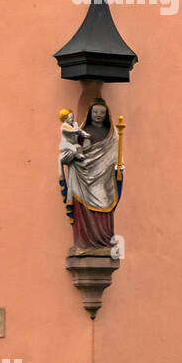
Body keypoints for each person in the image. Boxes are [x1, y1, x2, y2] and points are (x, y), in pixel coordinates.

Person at [58, 97, 122, 254]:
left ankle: (105, 242)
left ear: (107, 114)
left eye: (102, 112)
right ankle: (83, 243)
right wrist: (70, 157)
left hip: (104, 177)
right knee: (84, 209)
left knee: (106, 203)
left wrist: (119, 167)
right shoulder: (81, 132)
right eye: (95, 112)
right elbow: (72, 148)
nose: (98, 115)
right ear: (90, 113)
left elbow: (115, 155)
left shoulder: (112, 134)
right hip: (83, 175)